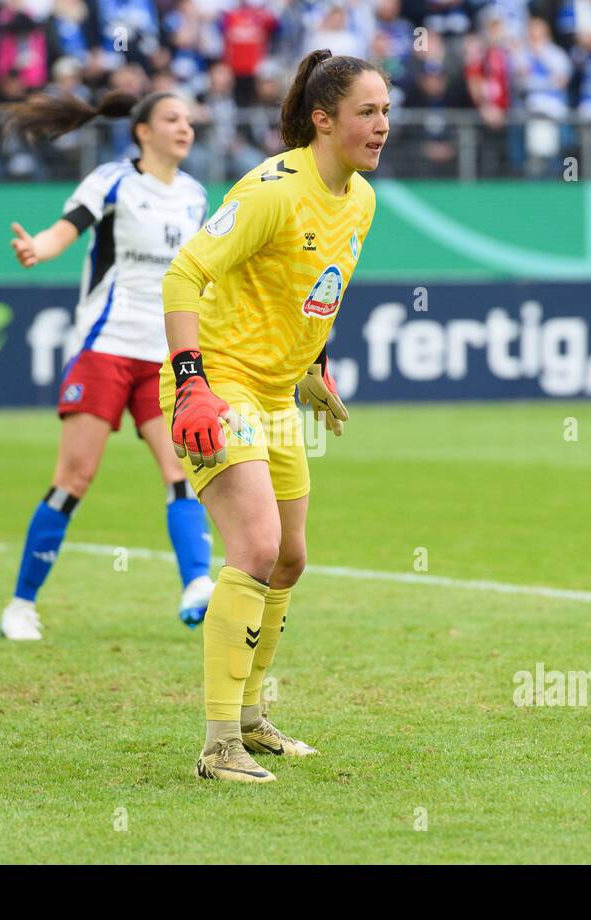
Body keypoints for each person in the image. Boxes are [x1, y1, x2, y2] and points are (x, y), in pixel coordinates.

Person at [159, 49, 385, 783]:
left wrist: (314, 370)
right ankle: (217, 743)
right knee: (254, 546)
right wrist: (192, 382)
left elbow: (311, 292)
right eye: (367, 112)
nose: (381, 126)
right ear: (324, 120)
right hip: (218, 385)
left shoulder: (361, 201)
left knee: (290, 556)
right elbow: (185, 272)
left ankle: (251, 718)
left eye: (386, 112)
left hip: (276, 395)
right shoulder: (271, 190)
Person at [0, 89, 215, 640]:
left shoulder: (195, 197)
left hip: (164, 359)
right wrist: (39, 249)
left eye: (188, 119)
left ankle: (197, 585)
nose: (184, 128)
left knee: (183, 472)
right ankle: (21, 605)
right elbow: (66, 227)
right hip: (105, 348)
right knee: (74, 478)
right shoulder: (113, 179)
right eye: (172, 118)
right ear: (143, 131)